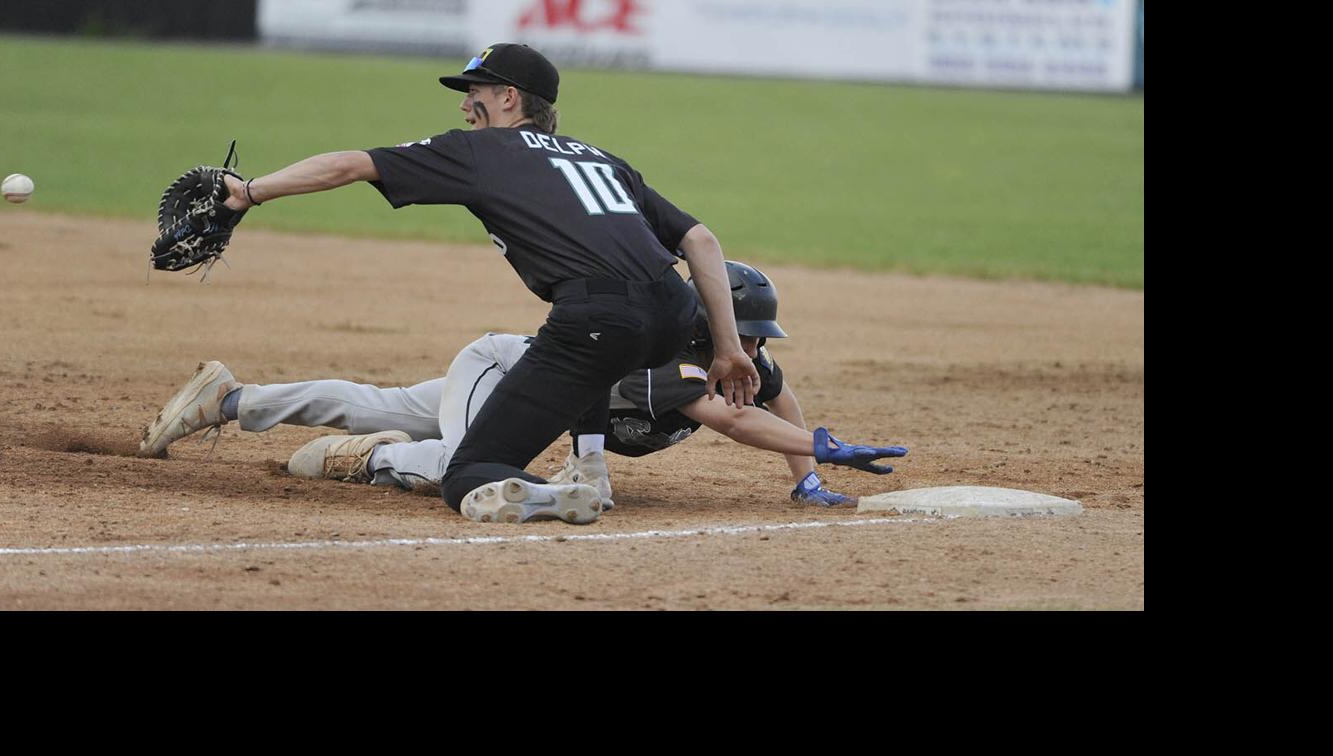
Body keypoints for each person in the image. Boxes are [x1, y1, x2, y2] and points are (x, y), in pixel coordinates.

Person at [141, 43, 761, 525]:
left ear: (510, 98)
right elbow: (701, 241)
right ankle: (590, 468)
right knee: (600, 357)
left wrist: (248, 193)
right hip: (672, 315)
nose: (466, 106)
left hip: (596, 318)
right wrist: (729, 349)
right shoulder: (602, 159)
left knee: (467, 474)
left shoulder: (478, 152)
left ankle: (552, 494)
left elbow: (350, 165)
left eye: (476, 92)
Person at [139, 262, 909, 515]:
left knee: (378, 402)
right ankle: (369, 459)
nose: (756, 353)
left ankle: (231, 399)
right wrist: (820, 448)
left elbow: (775, 398)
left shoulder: (737, 362)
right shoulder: (669, 359)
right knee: (466, 467)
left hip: (532, 380)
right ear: (709, 327)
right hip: (505, 367)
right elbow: (735, 424)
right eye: (747, 336)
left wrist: (807, 475)